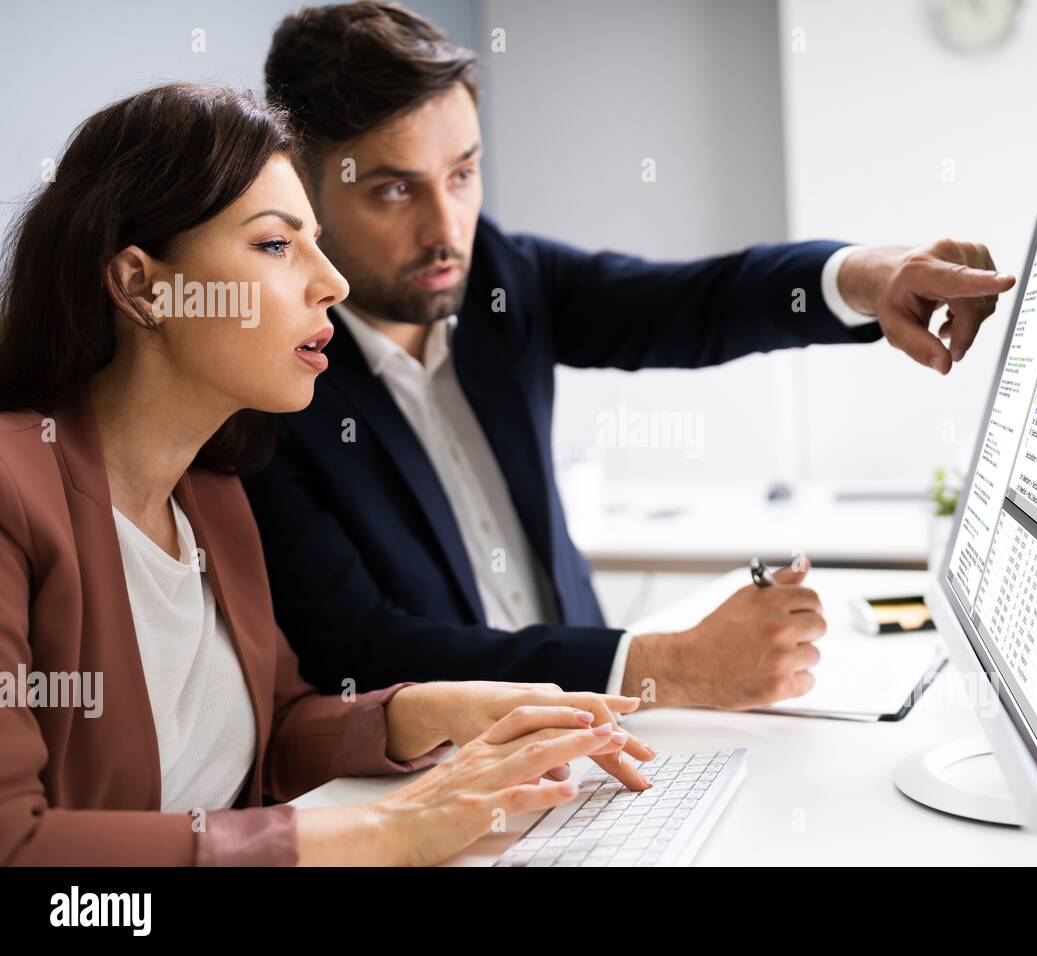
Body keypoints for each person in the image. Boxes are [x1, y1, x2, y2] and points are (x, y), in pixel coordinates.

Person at [245, 3, 1015, 786]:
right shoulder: (268, 384)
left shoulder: (501, 281)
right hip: (428, 784)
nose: (448, 229)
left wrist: (864, 277)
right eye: (392, 191)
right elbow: (362, 648)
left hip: (598, 751)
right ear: (301, 190)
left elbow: (690, 302)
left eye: (464, 173)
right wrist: (660, 664)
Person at [0, 82, 652, 867]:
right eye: (276, 246)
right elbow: (18, 844)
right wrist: (389, 831)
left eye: (315, 241)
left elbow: (271, 739)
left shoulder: (212, 498)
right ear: (143, 285)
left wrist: (435, 708)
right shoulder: (12, 492)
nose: (332, 283)